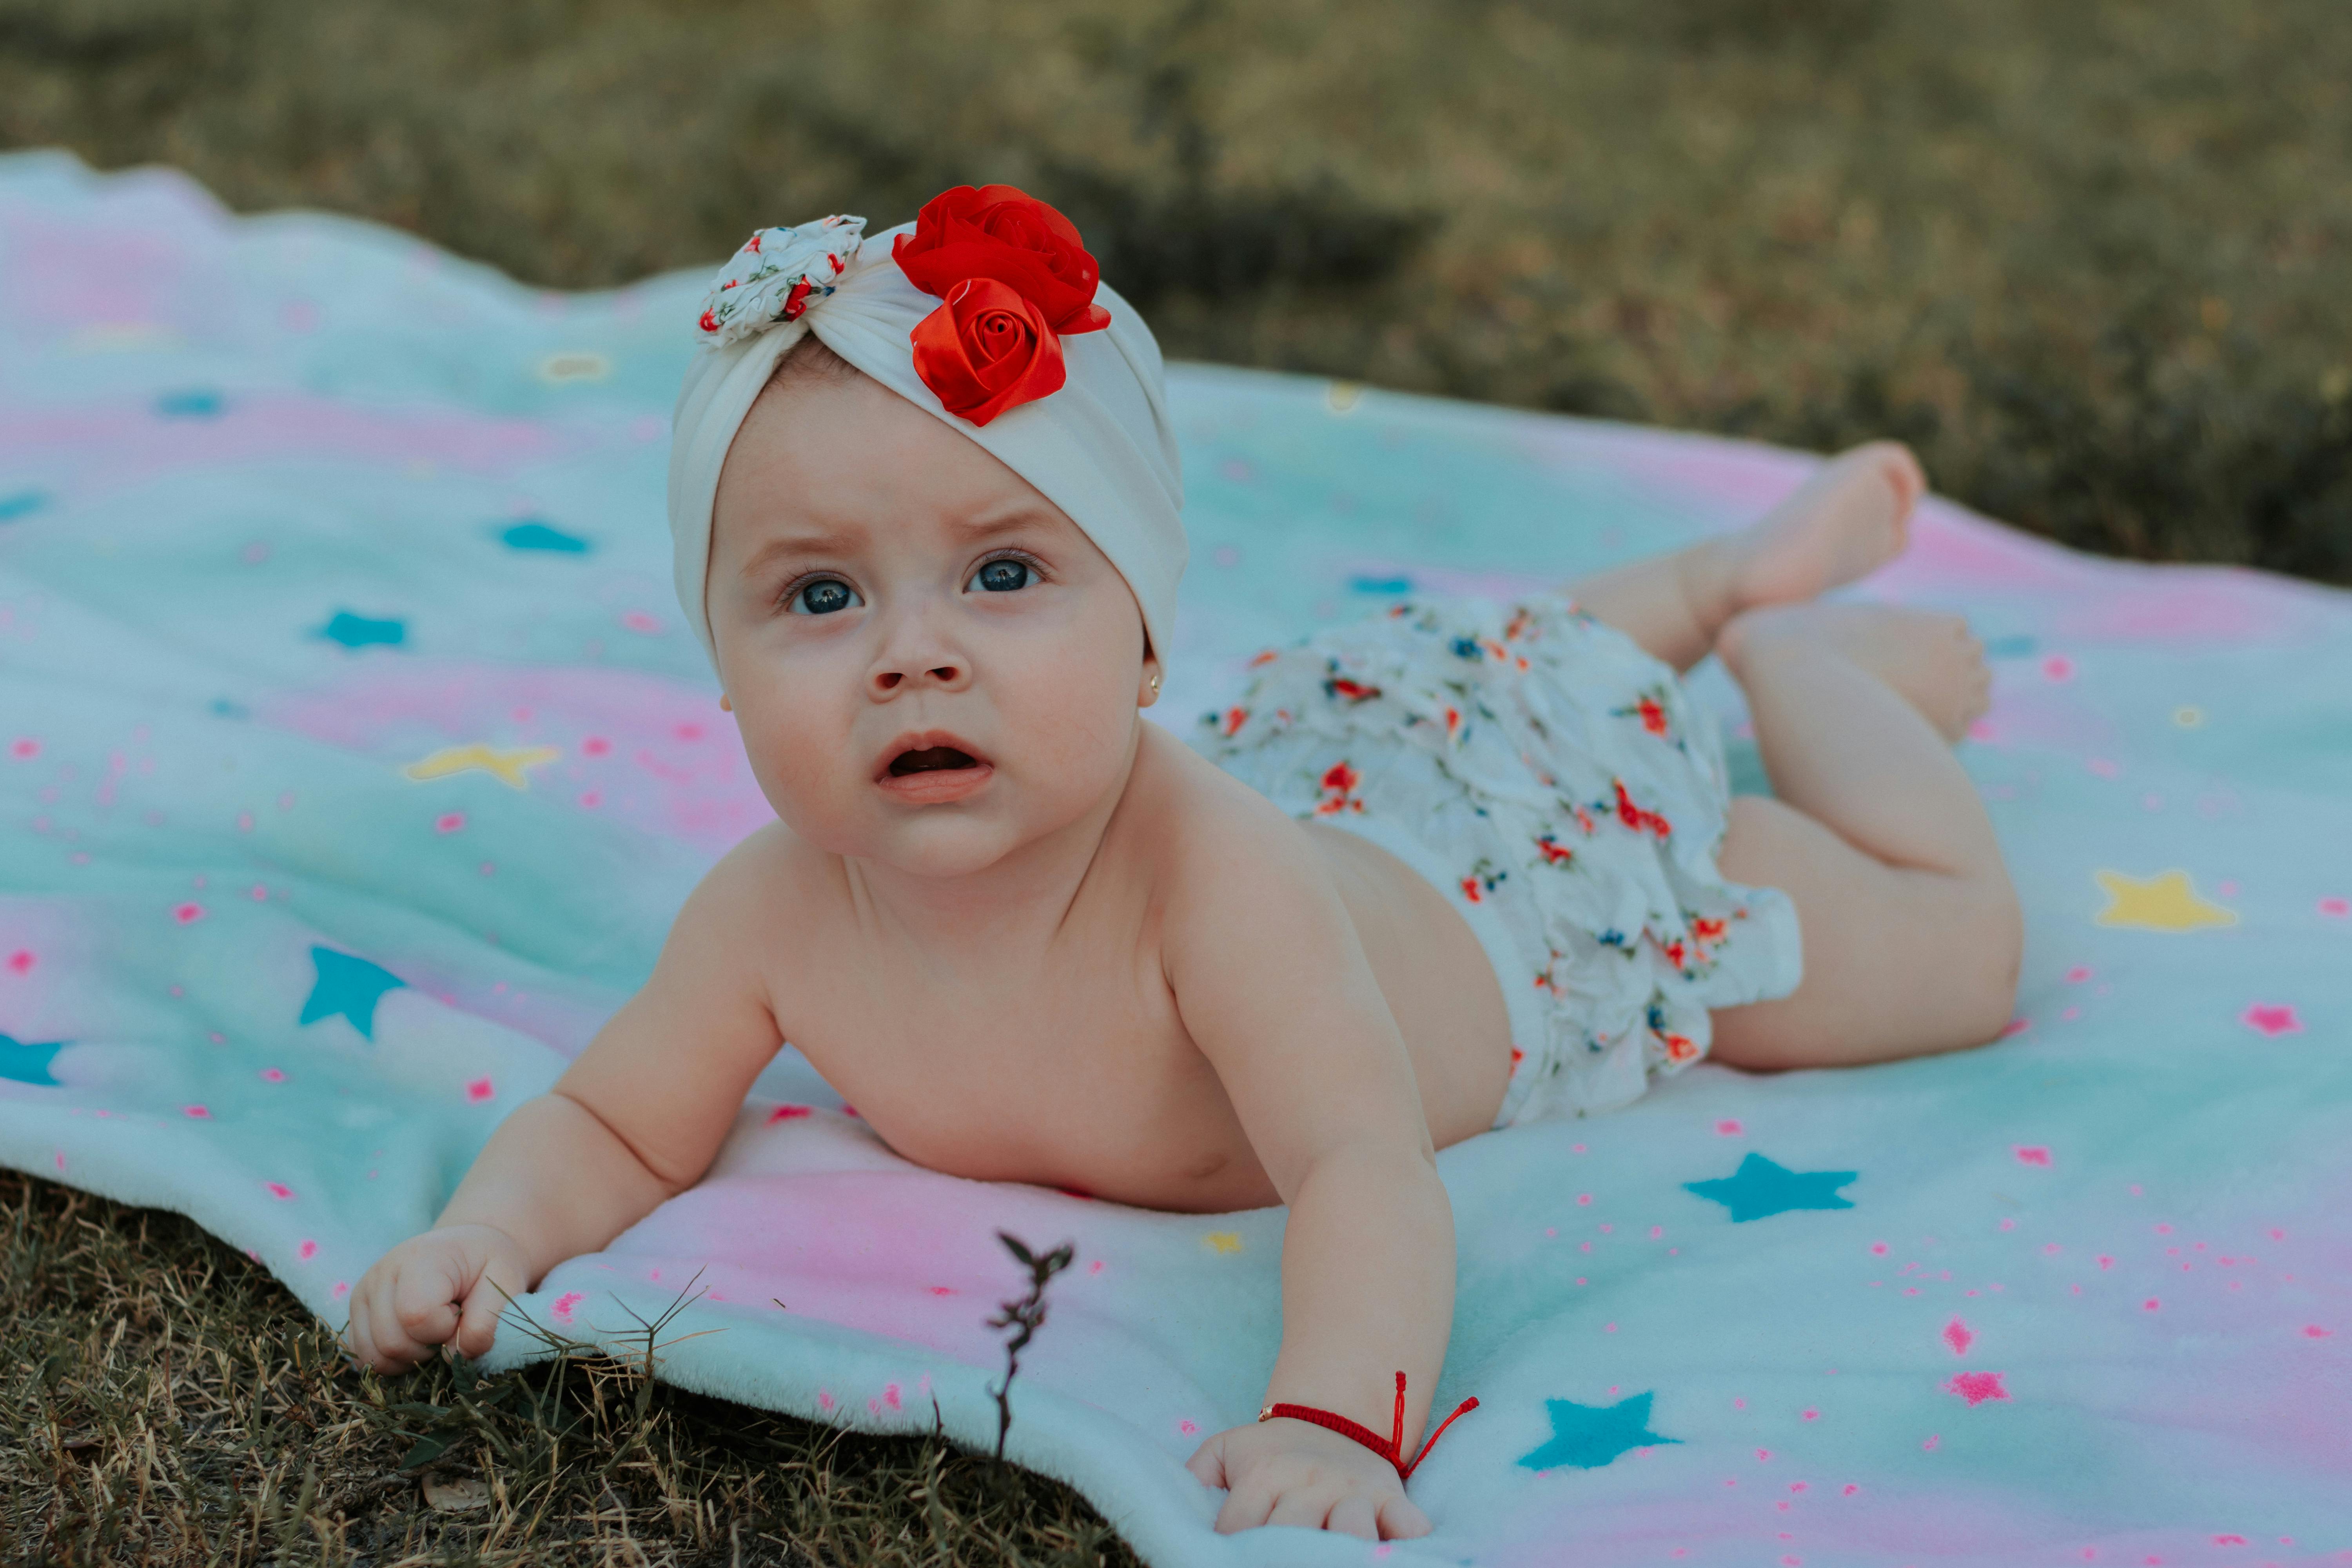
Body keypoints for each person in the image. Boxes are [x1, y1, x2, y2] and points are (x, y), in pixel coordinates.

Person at [342, 186, 2022, 1541]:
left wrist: (1328, 1421)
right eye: (821, 597)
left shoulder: (1212, 881)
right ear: (717, 663)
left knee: (1950, 960)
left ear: (1145, 642)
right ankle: (1708, 582)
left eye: (1003, 576)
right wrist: (496, 1232)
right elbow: (618, 1117)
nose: (911, 655)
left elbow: (1365, 1166)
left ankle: (1801, 657)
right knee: (1491, 676)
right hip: (1362, 767)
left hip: (1526, 892)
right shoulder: (774, 911)